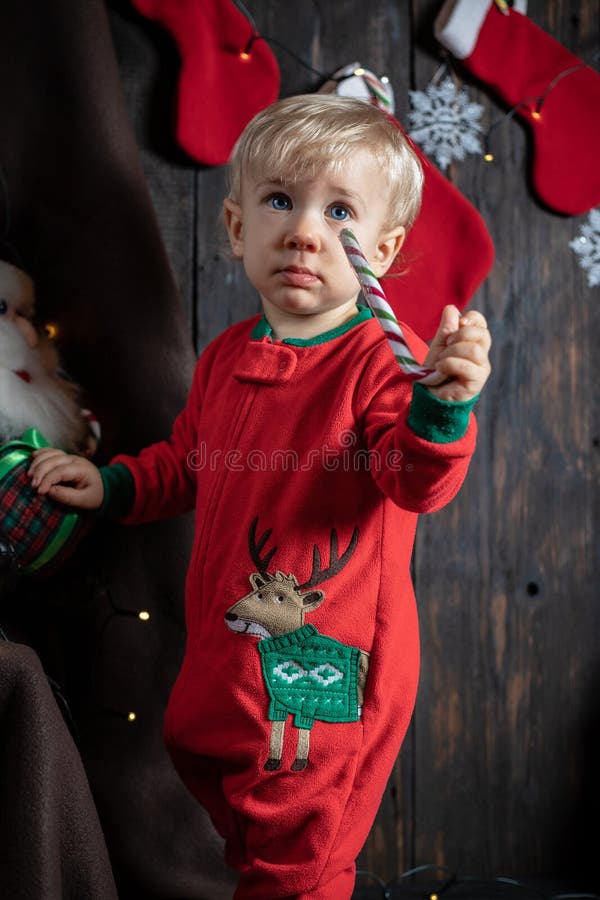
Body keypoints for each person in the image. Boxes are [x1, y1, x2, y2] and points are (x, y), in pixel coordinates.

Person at [28, 95, 492, 900]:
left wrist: (441, 407)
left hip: (322, 664)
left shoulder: (385, 363)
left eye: (337, 210)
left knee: (299, 857)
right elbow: (189, 463)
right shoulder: (227, 356)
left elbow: (415, 479)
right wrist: (110, 483)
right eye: (281, 200)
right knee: (235, 814)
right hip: (223, 660)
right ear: (239, 228)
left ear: (380, 249)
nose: (305, 230)